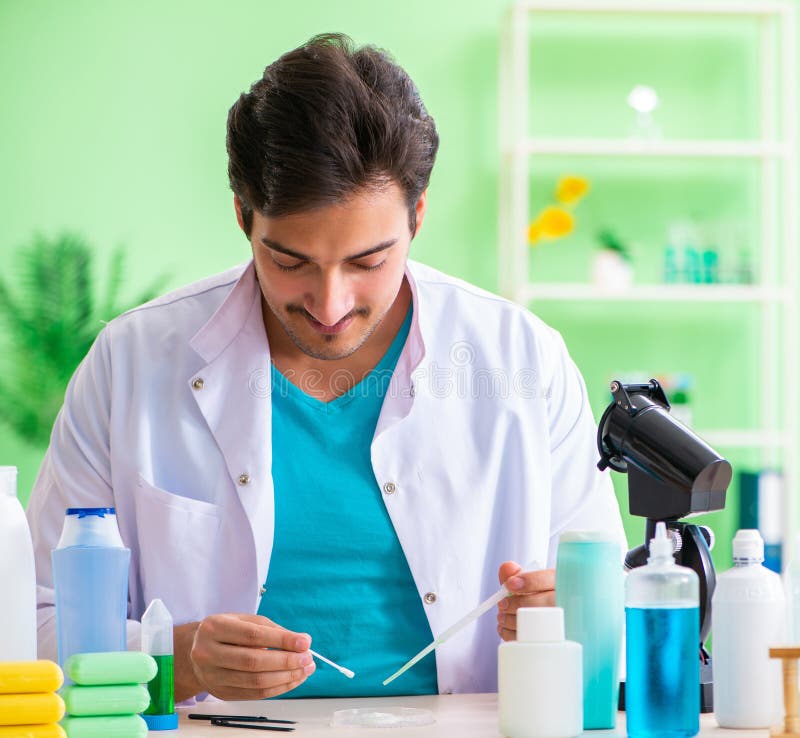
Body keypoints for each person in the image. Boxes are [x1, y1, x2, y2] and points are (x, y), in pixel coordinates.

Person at [27, 33, 625, 702]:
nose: (330, 304)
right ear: (242, 218)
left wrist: (575, 617)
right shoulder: (131, 362)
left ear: (418, 218)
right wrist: (175, 658)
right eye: (290, 262)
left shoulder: (522, 359)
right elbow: (34, 624)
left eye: (368, 262)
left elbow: (615, 615)